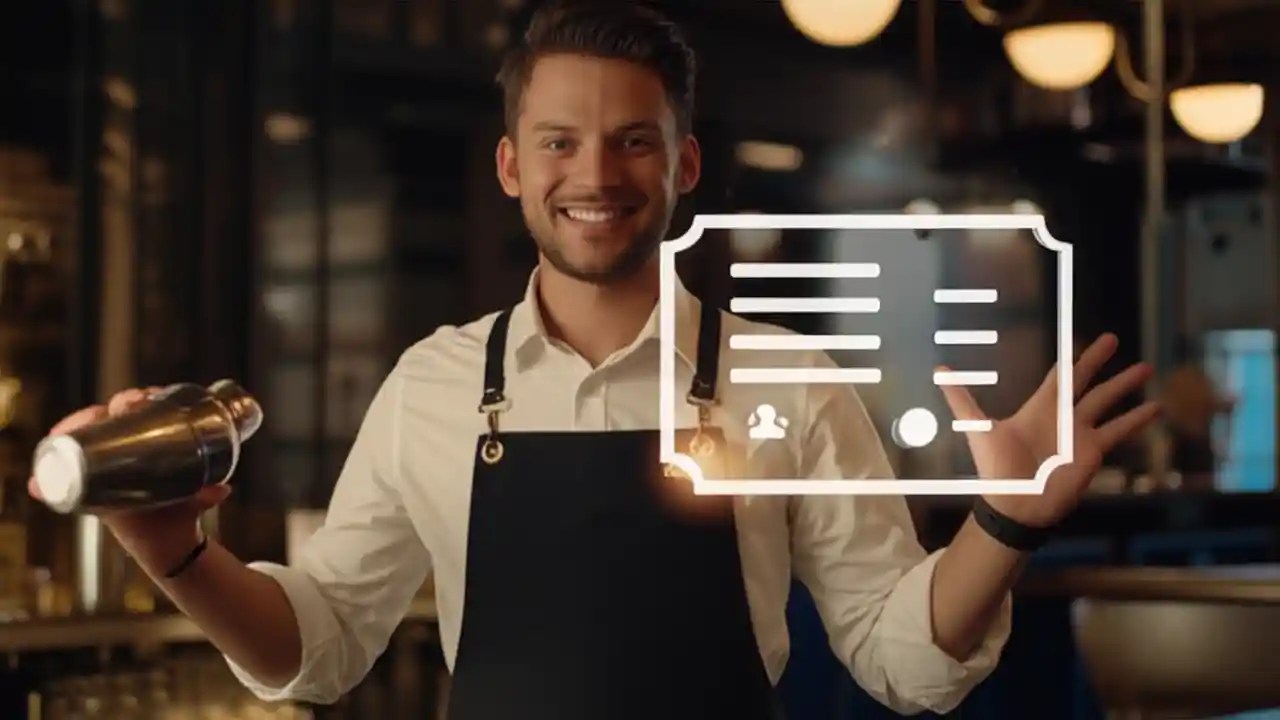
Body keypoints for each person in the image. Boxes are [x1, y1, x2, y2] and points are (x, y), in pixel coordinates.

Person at [29, 1, 1161, 718]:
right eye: (560, 142)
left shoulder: (789, 381)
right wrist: (176, 554)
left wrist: (1004, 522)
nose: (597, 176)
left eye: (633, 142)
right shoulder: (432, 384)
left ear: (683, 166)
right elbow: (317, 646)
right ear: (512, 167)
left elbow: (896, 659)